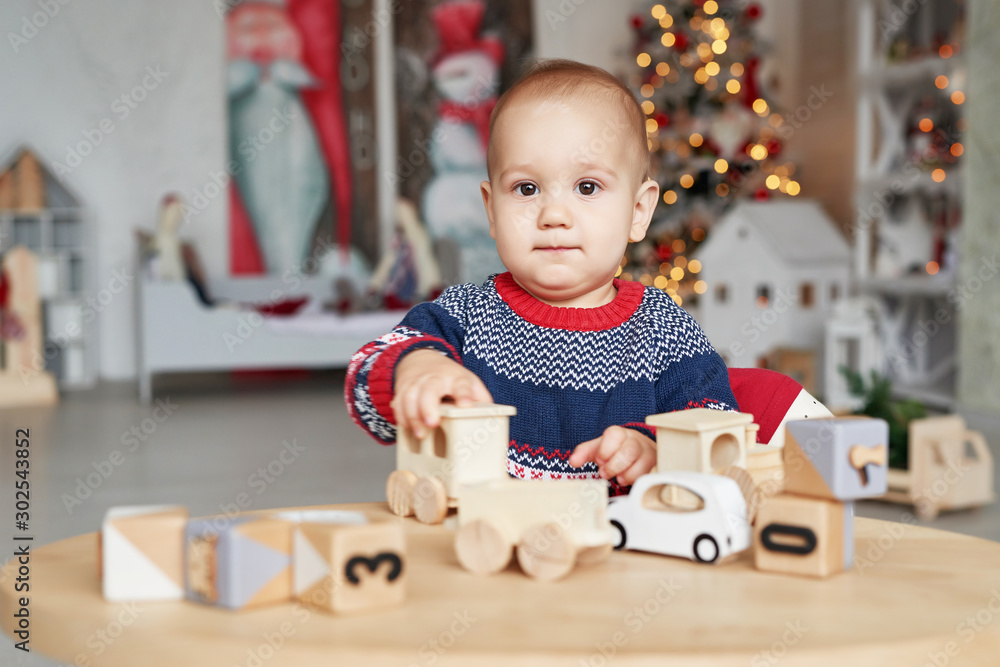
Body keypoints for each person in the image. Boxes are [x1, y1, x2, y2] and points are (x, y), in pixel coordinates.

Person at [345, 59, 736, 495]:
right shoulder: (465, 315)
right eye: (526, 189)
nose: (554, 215)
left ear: (638, 212)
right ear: (492, 210)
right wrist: (416, 369)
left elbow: (714, 423)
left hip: (619, 550)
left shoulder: (663, 329)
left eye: (587, 187)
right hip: (482, 544)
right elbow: (366, 391)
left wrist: (654, 448)